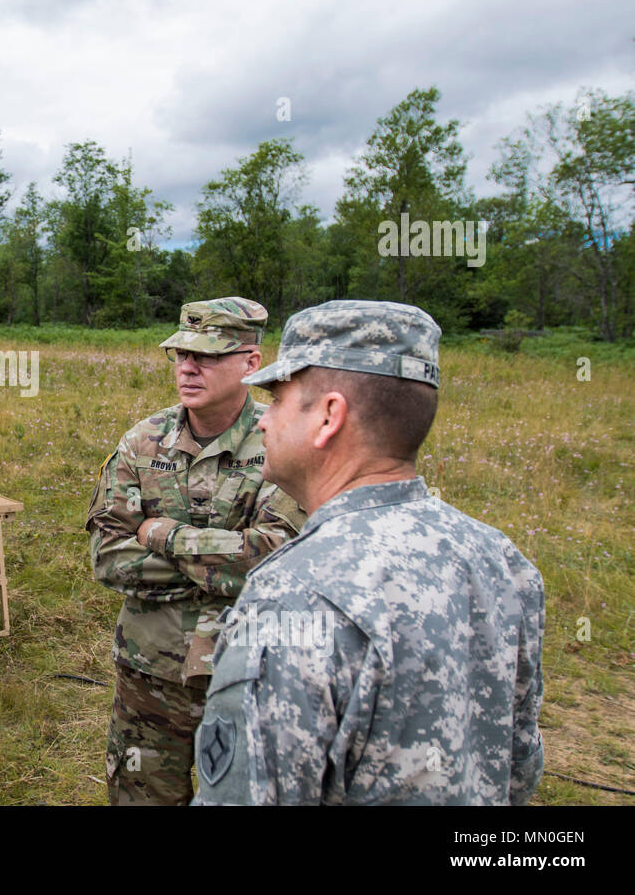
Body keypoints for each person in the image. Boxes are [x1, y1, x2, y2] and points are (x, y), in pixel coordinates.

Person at [191, 299, 545, 805]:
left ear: (329, 416)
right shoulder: (502, 560)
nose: (263, 421)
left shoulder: (293, 595)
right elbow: (518, 767)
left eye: (279, 399)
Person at [86, 297, 306, 805]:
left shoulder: (279, 441)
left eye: (206, 356)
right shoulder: (144, 442)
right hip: (150, 669)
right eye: (182, 354)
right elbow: (107, 554)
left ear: (251, 363)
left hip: (249, 669)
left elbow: (276, 563)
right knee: (140, 795)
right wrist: (224, 561)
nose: (188, 366)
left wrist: (161, 534)